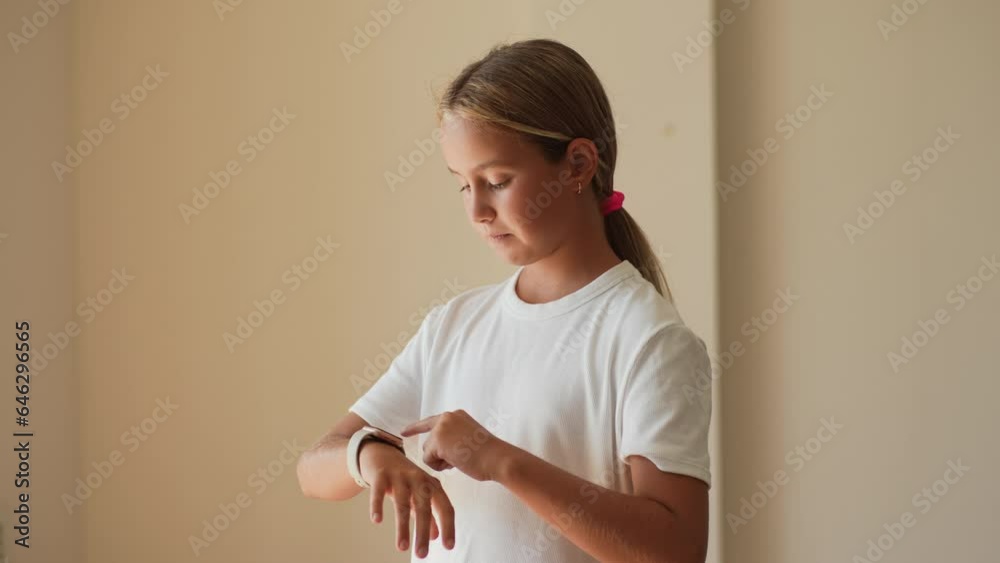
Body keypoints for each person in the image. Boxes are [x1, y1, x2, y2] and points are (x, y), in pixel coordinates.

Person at [296, 38, 712, 563]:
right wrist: (369, 456)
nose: (477, 211)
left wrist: (499, 460)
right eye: (462, 185)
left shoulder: (648, 339)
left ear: (578, 164)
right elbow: (314, 468)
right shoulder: (452, 326)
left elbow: (676, 550)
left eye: (496, 181)